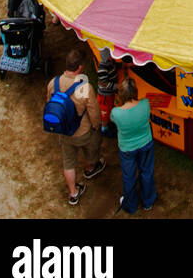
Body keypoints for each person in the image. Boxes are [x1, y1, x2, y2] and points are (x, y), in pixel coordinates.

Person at [44, 49, 106, 205]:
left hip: (64, 132)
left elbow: (49, 104)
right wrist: (97, 125)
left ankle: (73, 193)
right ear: (79, 67)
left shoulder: (53, 83)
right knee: (92, 146)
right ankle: (91, 168)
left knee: (68, 163)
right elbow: (94, 111)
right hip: (83, 131)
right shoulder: (84, 87)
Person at [111, 76, 158, 214]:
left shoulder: (116, 112)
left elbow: (113, 121)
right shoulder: (145, 104)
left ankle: (130, 205)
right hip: (146, 143)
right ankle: (148, 201)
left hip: (127, 148)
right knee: (147, 172)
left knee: (129, 176)